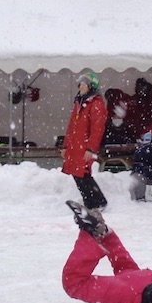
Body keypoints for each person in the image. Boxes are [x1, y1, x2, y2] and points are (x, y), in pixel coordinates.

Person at [63, 71, 109, 213]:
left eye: (83, 84)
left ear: (90, 86)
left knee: (83, 175)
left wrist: (91, 149)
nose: (80, 86)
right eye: (80, 84)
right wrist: (65, 145)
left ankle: (98, 202)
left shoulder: (96, 104)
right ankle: (90, 203)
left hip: (84, 147)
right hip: (75, 146)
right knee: (78, 175)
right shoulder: (79, 102)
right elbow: (71, 126)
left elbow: (97, 129)